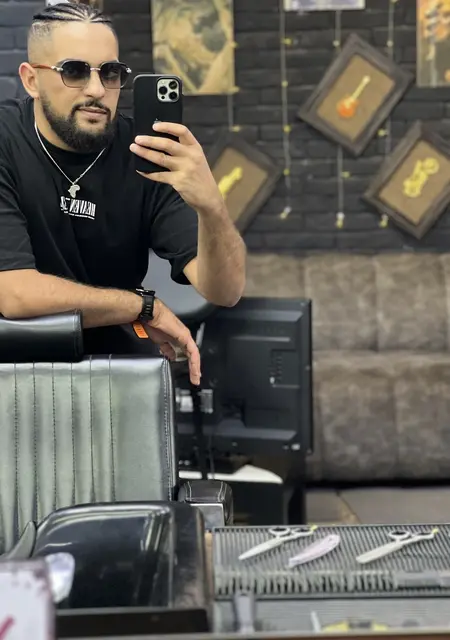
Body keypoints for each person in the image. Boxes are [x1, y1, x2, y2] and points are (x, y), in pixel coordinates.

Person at [0, 2, 246, 385]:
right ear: (31, 80)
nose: (97, 90)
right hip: (13, 369)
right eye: (74, 71)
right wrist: (142, 306)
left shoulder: (147, 153)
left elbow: (224, 291)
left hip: (114, 371)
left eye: (110, 73)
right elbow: (16, 294)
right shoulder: (5, 140)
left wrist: (211, 207)